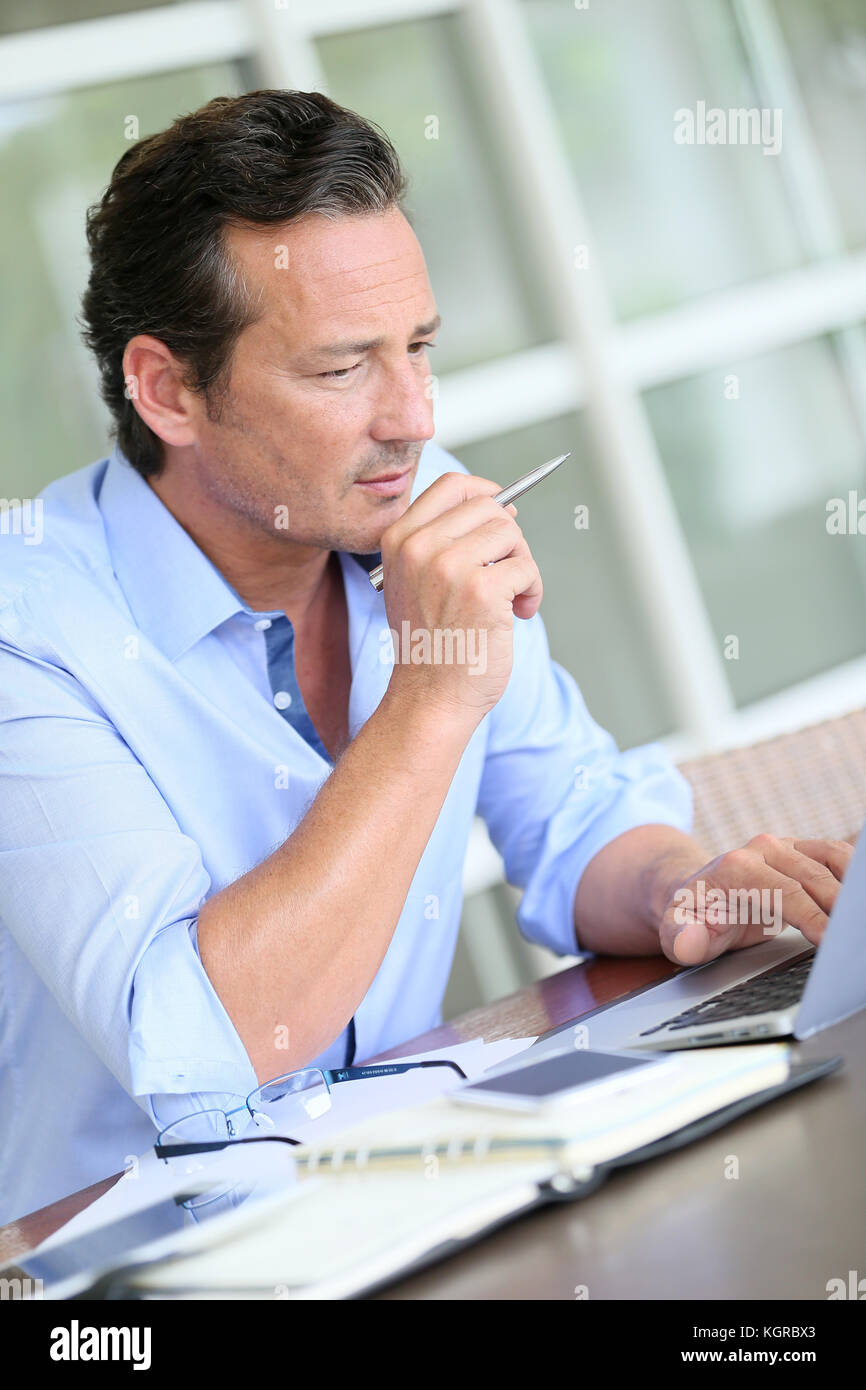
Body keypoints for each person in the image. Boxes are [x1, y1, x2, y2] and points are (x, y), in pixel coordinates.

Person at [0, 90, 851, 1220]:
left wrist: (676, 889)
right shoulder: (29, 635)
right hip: (128, 1254)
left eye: (417, 347)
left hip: (403, 1186)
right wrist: (433, 693)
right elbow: (207, 1052)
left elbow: (574, 811)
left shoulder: (395, 501)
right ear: (167, 389)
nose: (410, 417)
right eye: (341, 369)